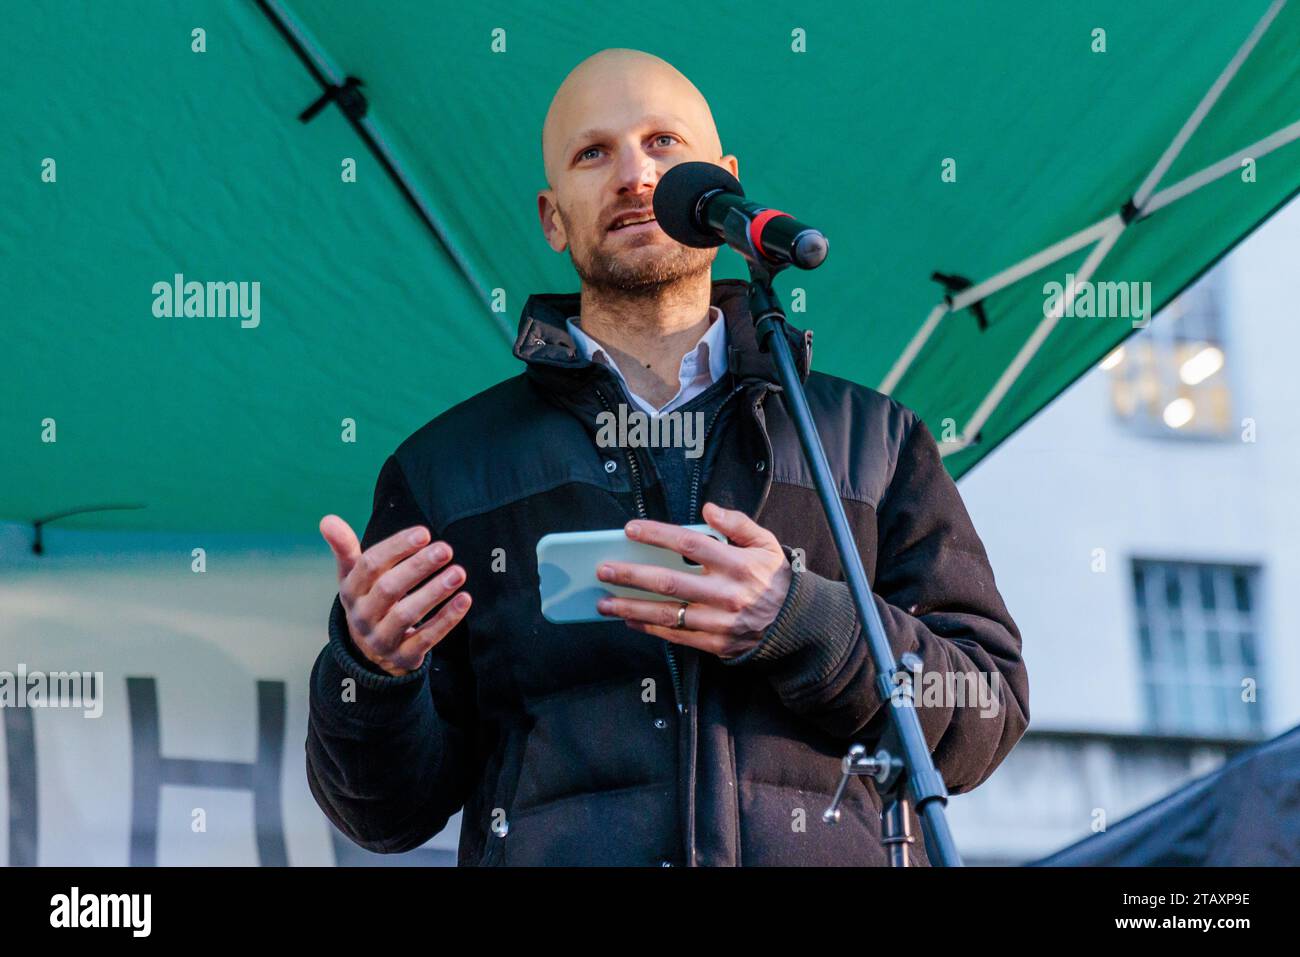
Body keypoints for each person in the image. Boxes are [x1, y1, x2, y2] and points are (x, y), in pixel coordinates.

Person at [306, 48, 1028, 866]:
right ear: (552, 218)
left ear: (722, 181)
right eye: (593, 153)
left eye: (662, 143)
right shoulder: (446, 470)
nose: (633, 175)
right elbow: (382, 814)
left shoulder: (873, 442)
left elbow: (985, 709)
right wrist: (370, 670)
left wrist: (804, 620)